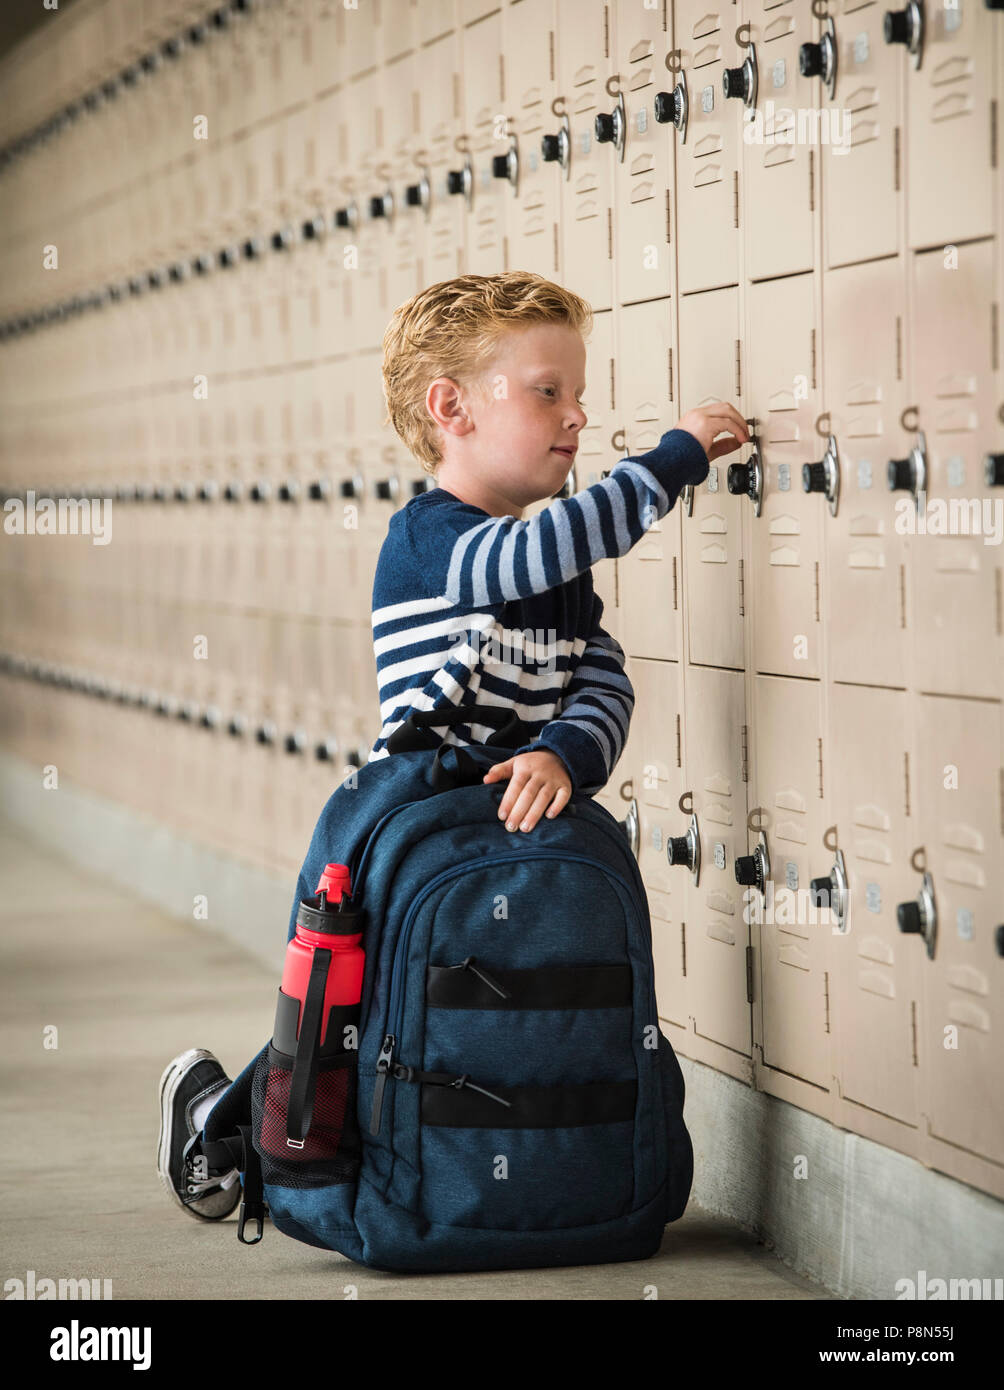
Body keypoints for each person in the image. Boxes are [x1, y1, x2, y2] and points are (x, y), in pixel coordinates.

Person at [157, 269, 748, 1220]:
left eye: (579, 394)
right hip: (416, 805)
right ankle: (223, 1133)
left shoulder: (560, 578)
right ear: (451, 409)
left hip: (514, 812)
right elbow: (540, 551)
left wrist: (564, 751)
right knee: (343, 1012)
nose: (577, 416)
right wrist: (675, 457)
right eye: (547, 391)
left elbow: (603, 675)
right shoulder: (436, 541)